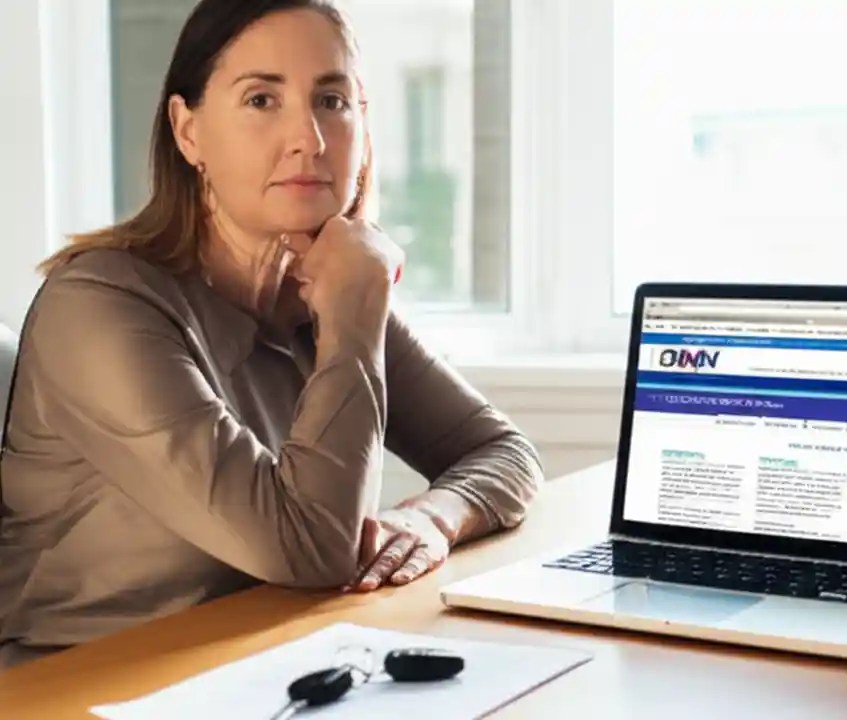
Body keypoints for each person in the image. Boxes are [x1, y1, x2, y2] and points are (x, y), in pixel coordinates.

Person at [0, 0, 541, 670]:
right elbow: (310, 549)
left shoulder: (326, 287)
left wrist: (435, 518)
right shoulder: (99, 308)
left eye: (333, 99)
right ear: (188, 131)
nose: (309, 138)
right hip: (83, 687)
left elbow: (505, 453)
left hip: (265, 666)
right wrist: (350, 326)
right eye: (262, 99)